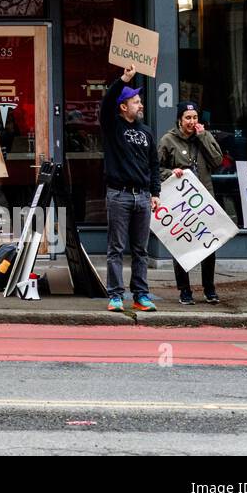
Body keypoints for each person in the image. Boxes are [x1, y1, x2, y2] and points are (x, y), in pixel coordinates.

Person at [99, 65, 159, 313]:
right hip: (119, 194)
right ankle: (115, 296)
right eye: (135, 101)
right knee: (116, 248)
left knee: (140, 250)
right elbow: (107, 103)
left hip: (142, 196)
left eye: (140, 101)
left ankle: (140, 295)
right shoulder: (113, 127)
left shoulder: (146, 132)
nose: (140, 105)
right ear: (123, 106)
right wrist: (124, 79)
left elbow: (154, 164)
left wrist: (155, 193)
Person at [157, 101, 224, 305]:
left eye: (195, 118)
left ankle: (209, 288)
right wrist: (171, 172)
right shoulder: (168, 140)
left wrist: (204, 136)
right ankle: (184, 290)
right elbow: (154, 169)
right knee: (183, 246)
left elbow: (217, 161)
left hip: (204, 199)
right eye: (188, 118)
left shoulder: (202, 137)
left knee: (209, 245)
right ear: (179, 119)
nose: (191, 122)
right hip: (180, 201)